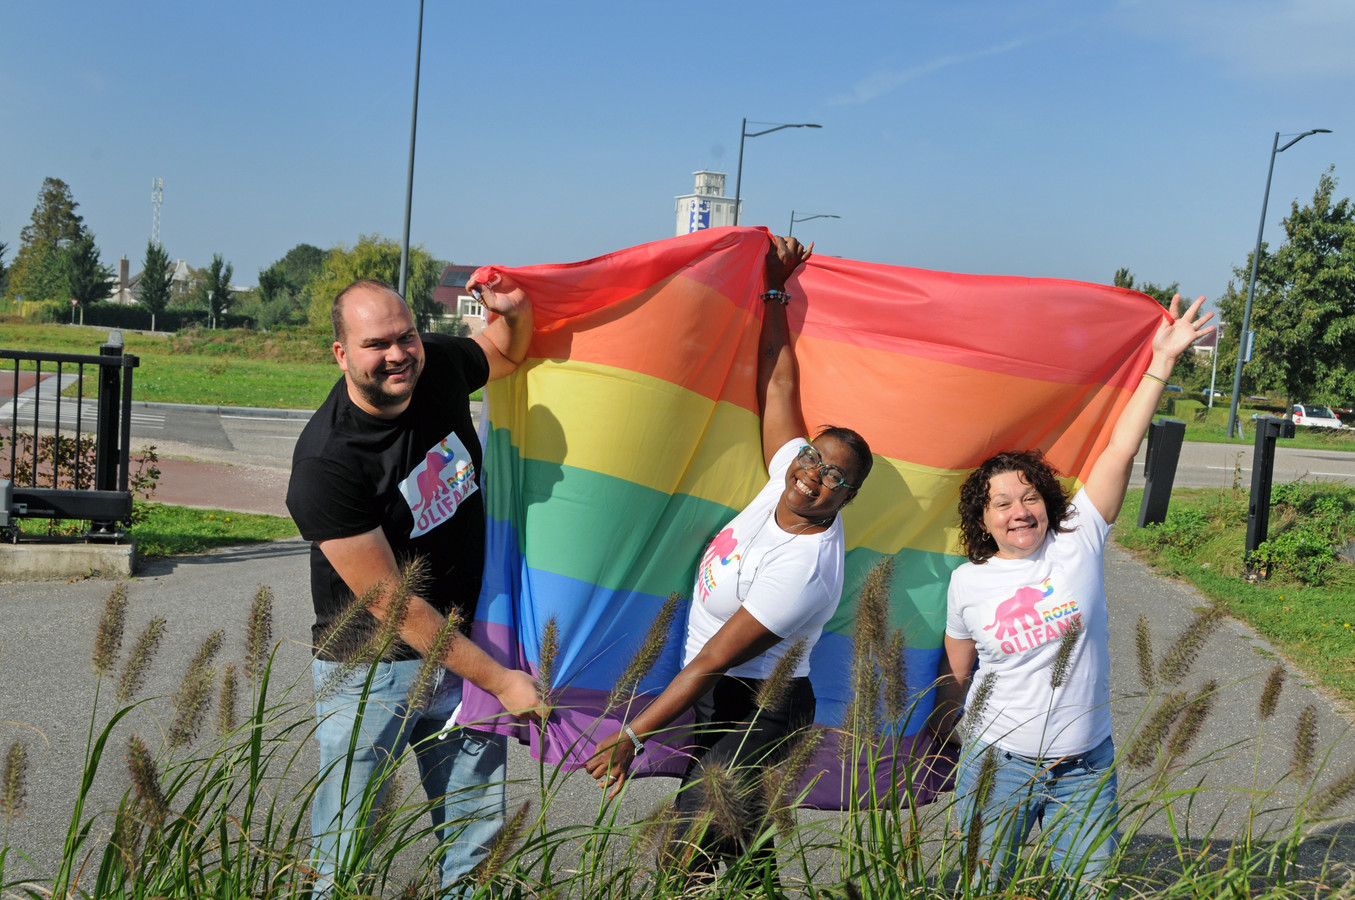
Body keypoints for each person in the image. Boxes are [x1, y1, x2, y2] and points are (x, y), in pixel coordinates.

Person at [584, 235, 874, 881]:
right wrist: (774, 290)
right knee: (744, 857)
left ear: (848, 495)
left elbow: (714, 659)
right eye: (812, 457)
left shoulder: (805, 567)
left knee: (683, 854)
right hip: (719, 703)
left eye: (834, 476)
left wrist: (632, 735)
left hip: (760, 713)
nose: (813, 474)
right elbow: (776, 376)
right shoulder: (783, 477)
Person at [937, 294, 1213, 888]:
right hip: (997, 768)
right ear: (981, 520)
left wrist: (1161, 361)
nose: (1019, 512)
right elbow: (958, 672)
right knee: (981, 886)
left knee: (1090, 887)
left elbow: (1120, 448)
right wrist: (942, 736)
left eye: (1030, 496)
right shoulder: (969, 581)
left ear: (1048, 501)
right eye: (1002, 503)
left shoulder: (1078, 537)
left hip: (1085, 768)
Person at [286, 277, 541, 896]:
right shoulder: (327, 463)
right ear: (342, 354)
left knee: (476, 847)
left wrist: (514, 311)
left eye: (408, 336)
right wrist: (501, 680)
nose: (399, 354)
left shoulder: (439, 370)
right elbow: (393, 607)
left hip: (466, 656)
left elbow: (504, 352)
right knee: (345, 855)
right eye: (378, 344)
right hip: (373, 672)